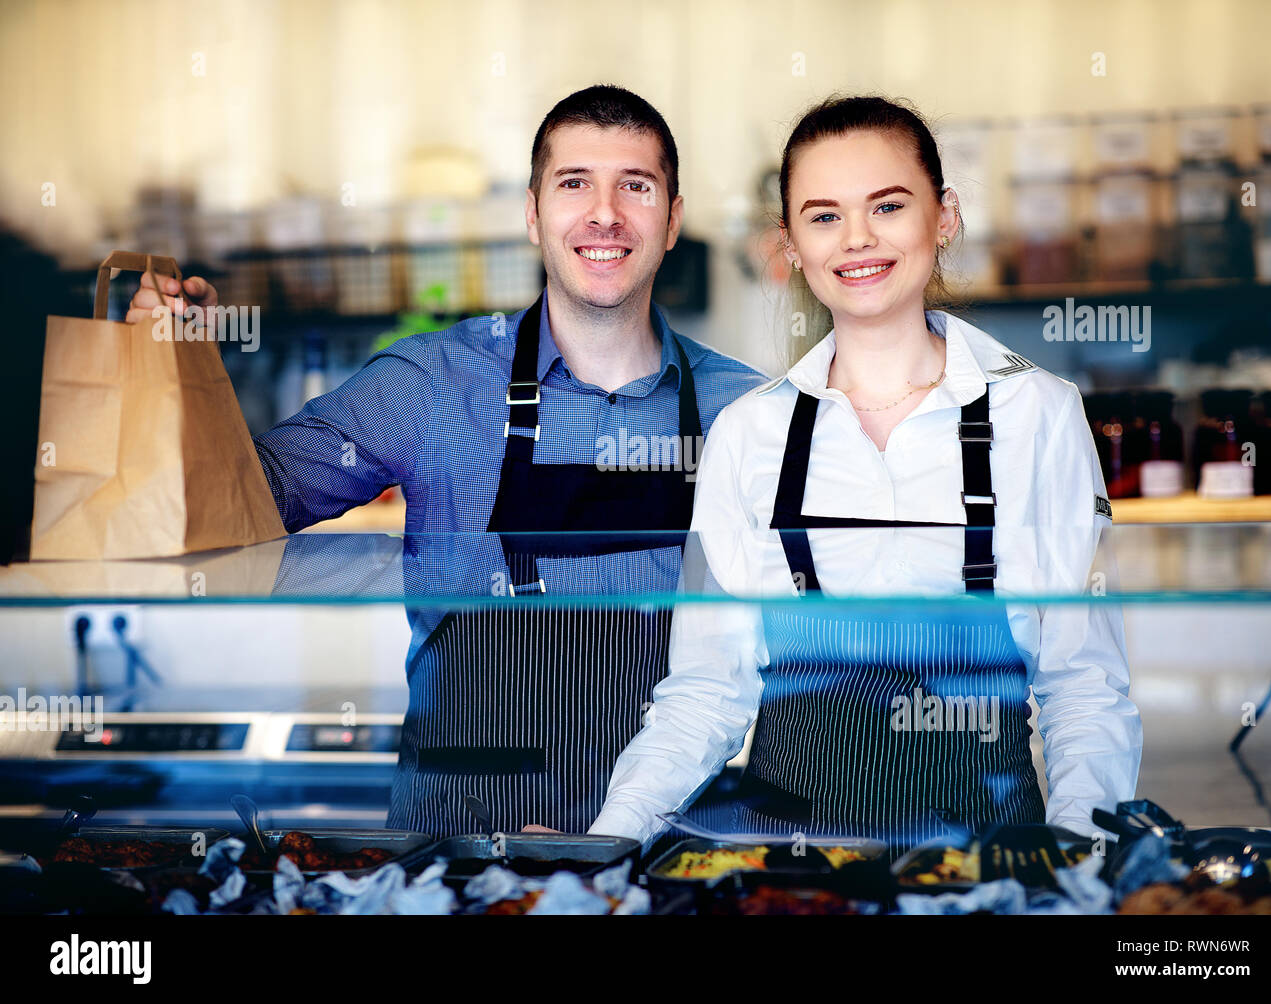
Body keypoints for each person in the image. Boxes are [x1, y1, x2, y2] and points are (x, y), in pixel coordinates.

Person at [125, 85, 765, 836]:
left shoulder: (744, 411)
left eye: (636, 186)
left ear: (673, 219)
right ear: (532, 215)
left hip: (663, 846)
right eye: (574, 184)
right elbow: (236, 506)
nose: (604, 214)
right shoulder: (432, 382)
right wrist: (172, 369)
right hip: (456, 850)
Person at [588, 95, 1143, 850]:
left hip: (985, 864)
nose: (856, 240)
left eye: (887, 205)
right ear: (788, 242)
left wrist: (1079, 856)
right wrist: (610, 842)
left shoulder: (1039, 414)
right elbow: (706, 693)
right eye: (822, 216)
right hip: (787, 874)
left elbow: (1085, 687)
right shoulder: (749, 435)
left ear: (943, 217)